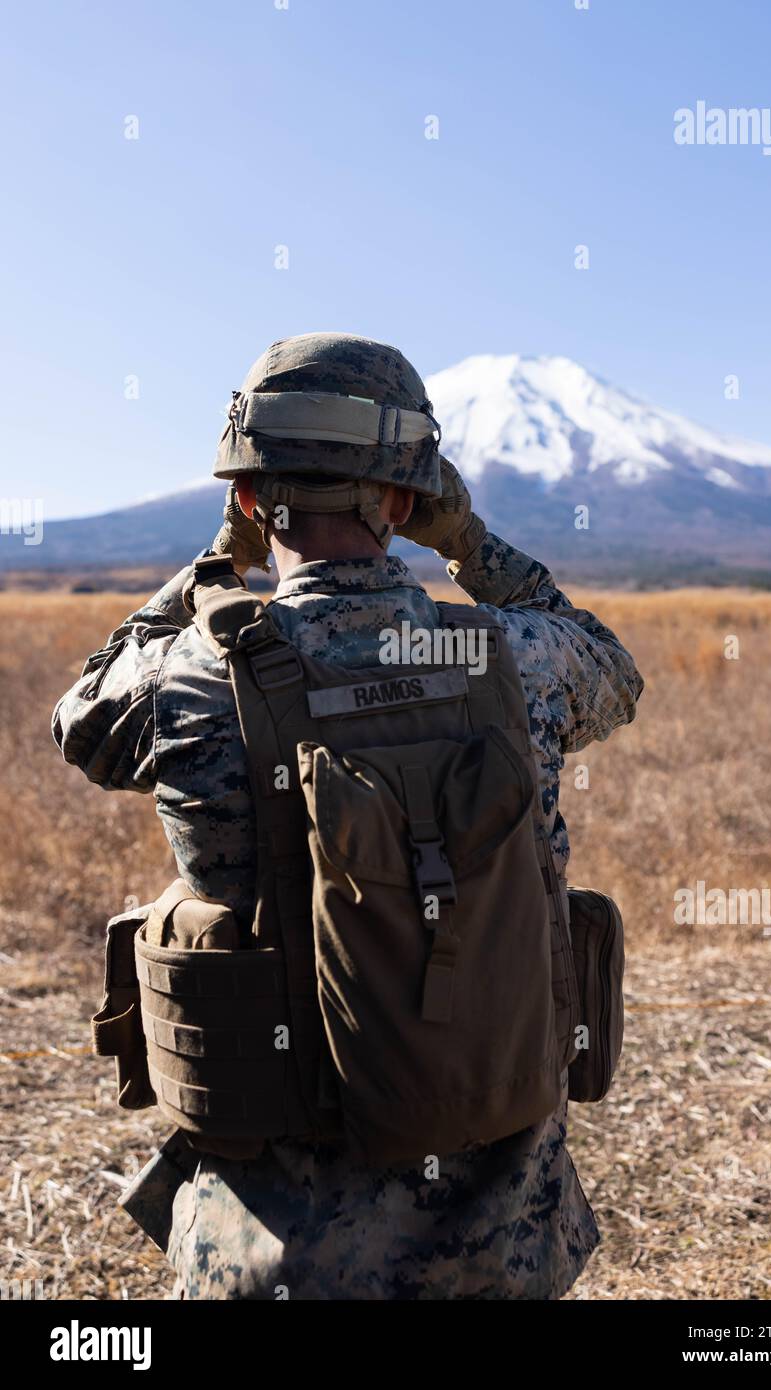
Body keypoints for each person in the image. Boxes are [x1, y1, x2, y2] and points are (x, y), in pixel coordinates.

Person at [53, 332, 643, 1300]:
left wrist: (217, 563)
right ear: (407, 501)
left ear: (249, 495)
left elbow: (81, 721)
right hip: (504, 1248)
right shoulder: (513, 654)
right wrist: (467, 542)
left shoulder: (191, 675)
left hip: (271, 1254)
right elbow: (613, 666)